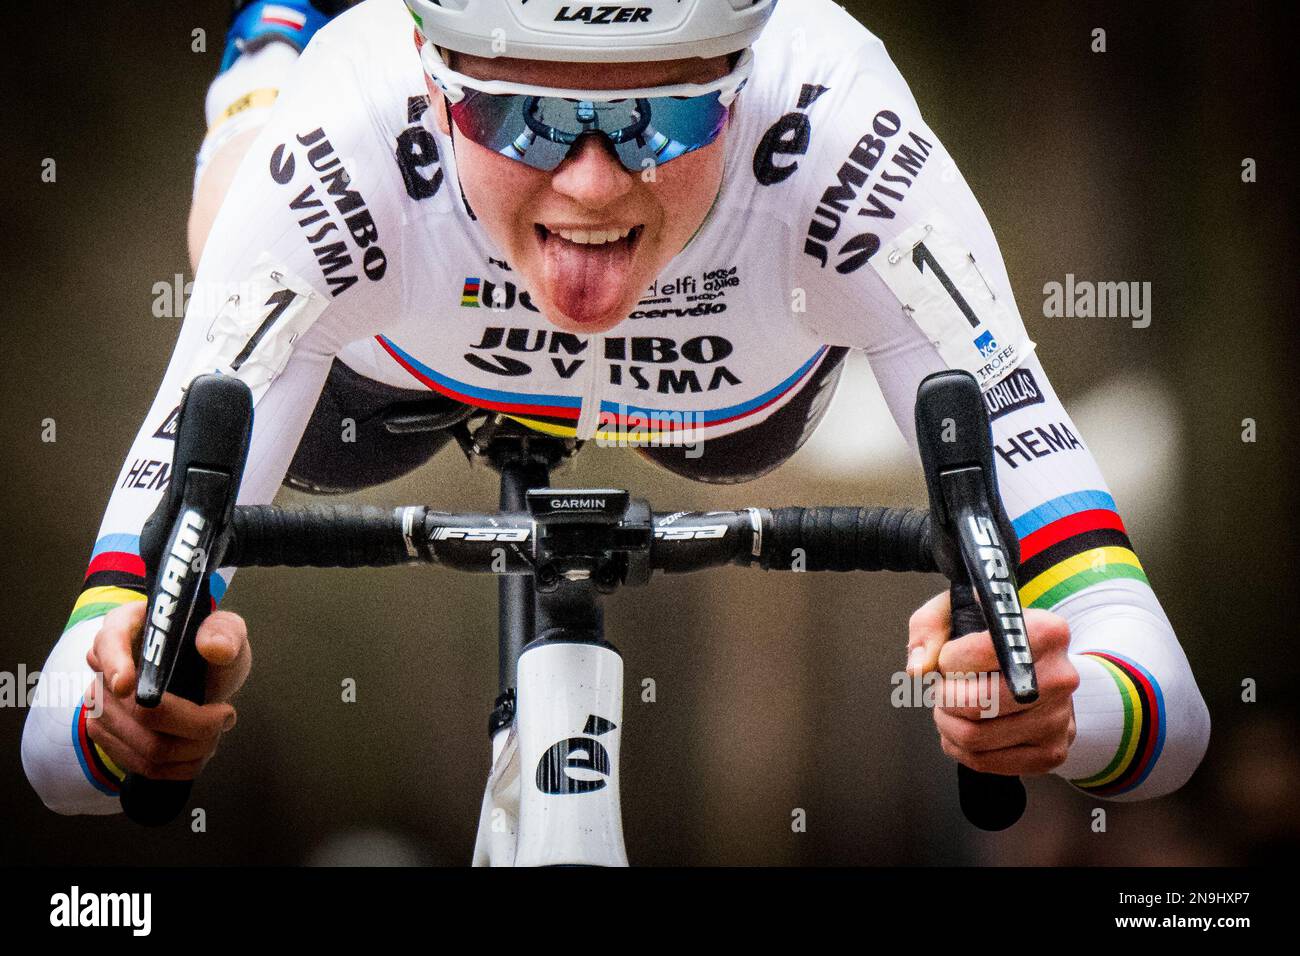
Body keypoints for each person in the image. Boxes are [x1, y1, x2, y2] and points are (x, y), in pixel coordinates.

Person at [23, 0, 1209, 819]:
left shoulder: (842, 127)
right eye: (519, 115)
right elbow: (54, 742)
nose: (592, 180)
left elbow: (1168, 705)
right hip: (389, 383)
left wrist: (1059, 708)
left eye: (668, 117)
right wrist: (119, 711)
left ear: (744, 87)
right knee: (233, 215)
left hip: (713, 418)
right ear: (436, 85)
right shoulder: (353, 132)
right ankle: (266, 50)